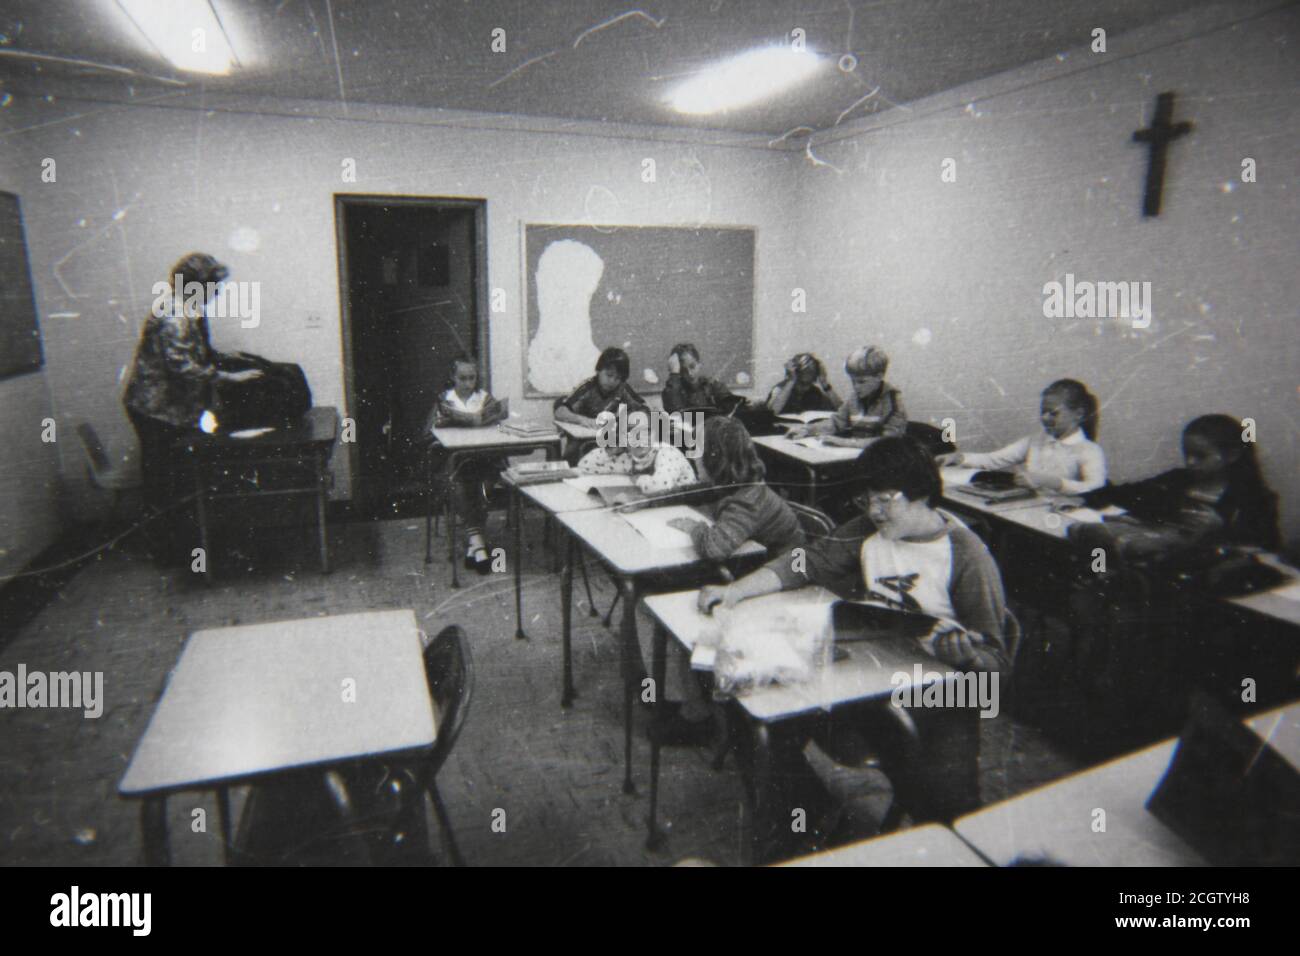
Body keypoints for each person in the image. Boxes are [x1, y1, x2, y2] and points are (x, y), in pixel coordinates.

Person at [697, 437, 1009, 826]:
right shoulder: (867, 530)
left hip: (939, 702)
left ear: (923, 494)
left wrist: (967, 657)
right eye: (867, 500)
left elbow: (995, 672)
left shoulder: (967, 556)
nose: (875, 511)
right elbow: (804, 561)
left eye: (886, 500)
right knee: (759, 712)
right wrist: (734, 590)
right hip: (871, 682)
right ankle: (805, 815)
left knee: (948, 816)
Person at [649, 417, 806, 744]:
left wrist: (693, 528)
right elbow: (692, 491)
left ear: (714, 461)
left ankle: (696, 713)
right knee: (663, 594)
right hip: (752, 567)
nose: (691, 457)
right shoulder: (734, 483)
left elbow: (715, 547)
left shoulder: (746, 499)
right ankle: (679, 696)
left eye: (697, 452)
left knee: (673, 602)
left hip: (778, 581)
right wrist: (646, 500)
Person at [123, 253, 262, 554]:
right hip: (156, 409)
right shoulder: (174, 316)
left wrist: (227, 359)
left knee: (172, 476)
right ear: (195, 285)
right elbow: (182, 367)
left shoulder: (190, 310)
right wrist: (230, 378)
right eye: (213, 285)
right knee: (163, 480)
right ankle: (164, 549)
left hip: (169, 408)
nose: (217, 291)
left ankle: (176, 544)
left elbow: (199, 354)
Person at [1075, 413, 1279, 563]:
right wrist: (1083, 493)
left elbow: (1267, 546)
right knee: (1086, 531)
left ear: (1232, 455)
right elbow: (1129, 493)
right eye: (1187, 453)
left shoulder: (1250, 496)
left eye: (1200, 456)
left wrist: (1222, 527)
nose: (1190, 462)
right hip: (1154, 559)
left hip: (1202, 566)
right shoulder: (1178, 481)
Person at [938, 379, 1106, 494]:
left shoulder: (1089, 450)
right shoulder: (1035, 441)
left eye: (1053, 413)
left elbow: (1095, 488)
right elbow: (993, 459)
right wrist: (958, 457)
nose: (1045, 418)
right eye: (1043, 412)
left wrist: (1052, 482)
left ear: (1078, 414)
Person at [429, 355, 507, 573]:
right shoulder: (445, 400)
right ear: (453, 377)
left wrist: (492, 419)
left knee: (485, 485)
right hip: (454, 463)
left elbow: (497, 426)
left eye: (472, 378)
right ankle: (479, 543)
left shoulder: (484, 398)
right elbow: (430, 434)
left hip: (482, 460)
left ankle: (475, 545)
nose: (467, 384)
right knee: (461, 484)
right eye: (462, 378)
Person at [789, 346, 906, 447]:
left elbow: (888, 442)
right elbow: (836, 423)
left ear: (879, 376)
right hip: (855, 457)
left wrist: (843, 442)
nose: (856, 387)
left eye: (861, 382)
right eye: (853, 381)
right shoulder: (854, 398)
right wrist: (807, 430)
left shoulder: (893, 399)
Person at [575, 407, 697, 497]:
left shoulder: (667, 452)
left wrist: (638, 479)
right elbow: (585, 466)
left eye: (647, 431)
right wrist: (612, 450)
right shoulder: (628, 458)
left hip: (690, 507)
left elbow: (660, 487)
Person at [553, 347, 645, 429]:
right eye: (609, 375)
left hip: (611, 438)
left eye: (618, 378)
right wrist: (584, 420)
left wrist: (631, 418)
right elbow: (560, 411)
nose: (612, 381)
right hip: (584, 439)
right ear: (598, 370)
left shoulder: (622, 387)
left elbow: (644, 409)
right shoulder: (587, 387)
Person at [661, 343, 742, 415]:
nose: (689, 373)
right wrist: (674, 374)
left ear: (699, 365)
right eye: (683, 370)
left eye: (692, 366)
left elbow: (730, 404)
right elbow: (674, 412)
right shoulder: (673, 390)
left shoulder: (711, 385)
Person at [766, 352, 841, 416]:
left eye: (812, 369)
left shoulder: (815, 392)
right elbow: (772, 412)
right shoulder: (781, 389)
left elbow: (841, 411)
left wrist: (825, 384)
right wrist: (791, 380)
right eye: (805, 367)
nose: (808, 372)